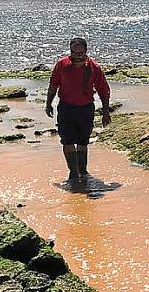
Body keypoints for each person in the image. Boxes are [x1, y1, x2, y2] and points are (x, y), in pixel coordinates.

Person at [45, 38, 111, 184]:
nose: (77, 56)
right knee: (67, 140)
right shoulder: (62, 64)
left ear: (85, 51)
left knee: (83, 142)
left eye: (80, 53)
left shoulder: (93, 67)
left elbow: (104, 90)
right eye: (74, 53)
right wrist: (48, 103)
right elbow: (53, 84)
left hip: (86, 108)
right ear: (70, 51)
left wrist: (106, 112)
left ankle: (83, 171)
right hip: (66, 107)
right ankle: (73, 173)